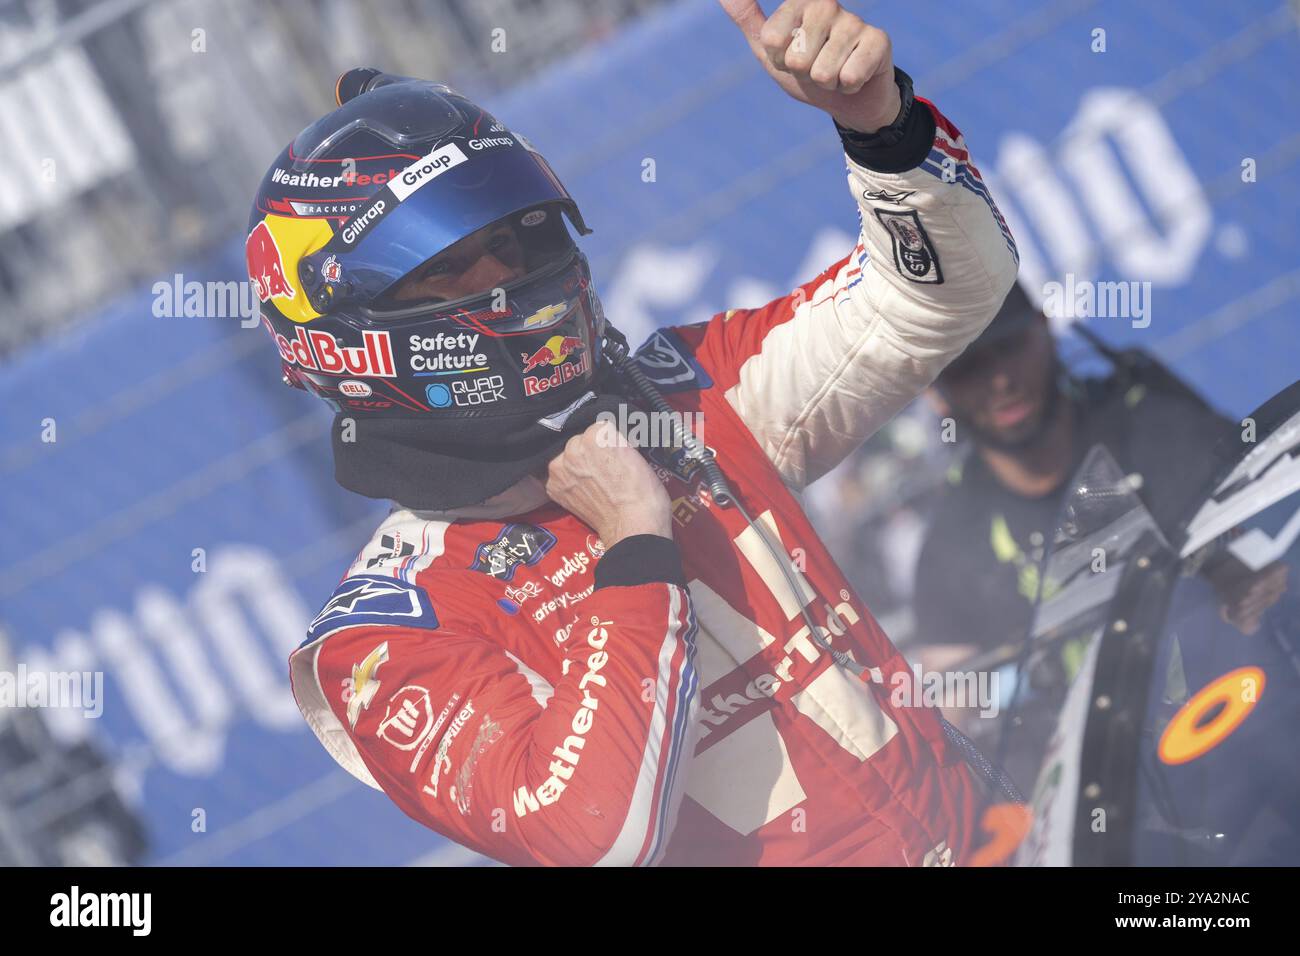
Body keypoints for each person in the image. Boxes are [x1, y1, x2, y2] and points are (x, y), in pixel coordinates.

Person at [253, 0, 1018, 866]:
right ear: (342, 333)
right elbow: (593, 836)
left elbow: (945, 294)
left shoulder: (685, 397)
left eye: (517, 239)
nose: (507, 279)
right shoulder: (386, 636)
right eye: (449, 267)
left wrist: (880, 126)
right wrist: (633, 548)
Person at [911, 282, 1287, 670]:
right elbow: (949, 712)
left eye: (1010, 345)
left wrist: (1250, 586)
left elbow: (1277, 543)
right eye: (967, 366)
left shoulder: (1164, 431)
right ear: (933, 393)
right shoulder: (952, 545)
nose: (1001, 381)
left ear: (1045, 329)